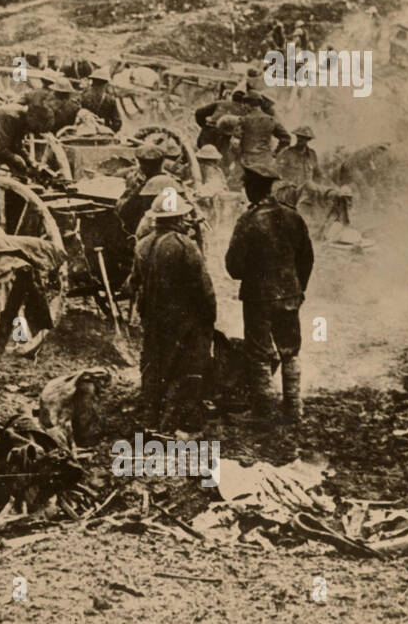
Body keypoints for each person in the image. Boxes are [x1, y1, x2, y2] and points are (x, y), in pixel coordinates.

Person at [224, 161, 315, 424]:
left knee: (259, 352)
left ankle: (262, 411)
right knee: (290, 351)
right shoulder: (293, 216)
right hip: (290, 294)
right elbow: (307, 258)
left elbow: (234, 267)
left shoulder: (248, 221)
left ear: (253, 188)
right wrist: (299, 289)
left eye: (247, 186)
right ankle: (293, 409)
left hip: (259, 297)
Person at [125, 192, 217, 434]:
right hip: (183, 320)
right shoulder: (186, 246)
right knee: (187, 368)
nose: (187, 220)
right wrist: (209, 319)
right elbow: (204, 289)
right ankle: (177, 425)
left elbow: (132, 284)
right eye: (184, 217)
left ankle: (149, 420)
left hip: (153, 320)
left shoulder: (142, 245)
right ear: (176, 218)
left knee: (153, 368)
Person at [276, 124, 321, 189]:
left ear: (308, 139)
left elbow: (317, 175)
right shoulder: (286, 153)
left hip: (307, 192)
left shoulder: (312, 154)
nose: (300, 139)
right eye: (299, 136)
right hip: (290, 191)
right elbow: (278, 173)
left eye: (303, 137)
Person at [78, 69, 123, 133]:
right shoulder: (110, 100)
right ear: (106, 84)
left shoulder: (83, 96)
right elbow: (117, 123)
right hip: (103, 134)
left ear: (92, 82)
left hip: (84, 132)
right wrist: (109, 130)